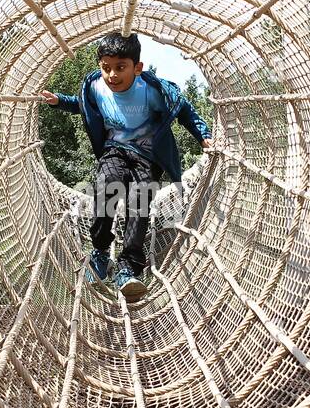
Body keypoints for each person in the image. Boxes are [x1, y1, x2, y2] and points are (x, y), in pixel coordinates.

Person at [41, 32, 213, 300]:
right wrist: (60, 101)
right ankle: (99, 252)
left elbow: (183, 108)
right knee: (106, 187)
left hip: (148, 155)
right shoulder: (96, 86)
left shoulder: (150, 91)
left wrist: (203, 134)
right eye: (106, 68)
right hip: (114, 150)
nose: (112, 75)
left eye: (120, 67)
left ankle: (128, 268)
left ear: (138, 67)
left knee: (139, 200)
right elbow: (85, 106)